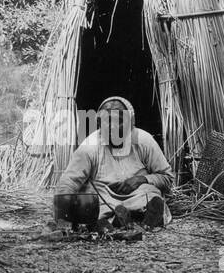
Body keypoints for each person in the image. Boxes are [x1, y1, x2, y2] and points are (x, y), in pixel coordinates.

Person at [54, 96, 173, 230]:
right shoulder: (90, 145)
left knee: (149, 191)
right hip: (103, 196)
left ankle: (140, 218)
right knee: (88, 194)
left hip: (137, 195)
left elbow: (167, 177)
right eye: (107, 121)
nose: (113, 127)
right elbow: (69, 180)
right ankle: (124, 218)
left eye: (120, 121)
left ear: (131, 123)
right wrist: (62, 216)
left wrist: (141, 179)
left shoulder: (144, 140)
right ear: (99, 123)